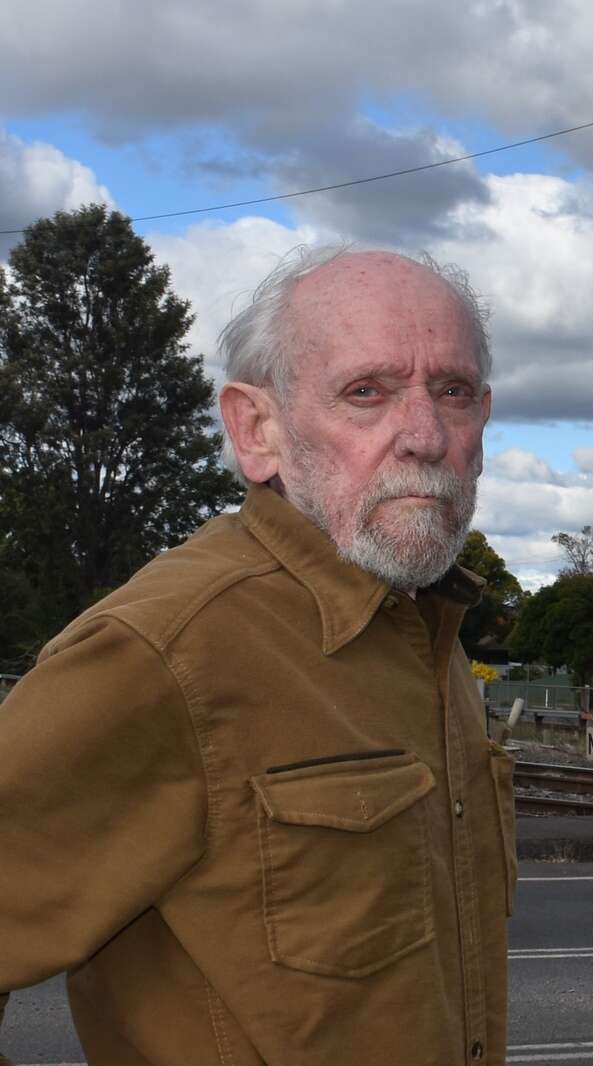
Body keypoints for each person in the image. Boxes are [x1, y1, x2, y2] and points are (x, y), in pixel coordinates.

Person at [0, 248, 516, 1065]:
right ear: (257, 428)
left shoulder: (427, 630)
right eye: (366, 392)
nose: (424, 435)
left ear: (481, 421)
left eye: (451, 392)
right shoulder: (164, 653)